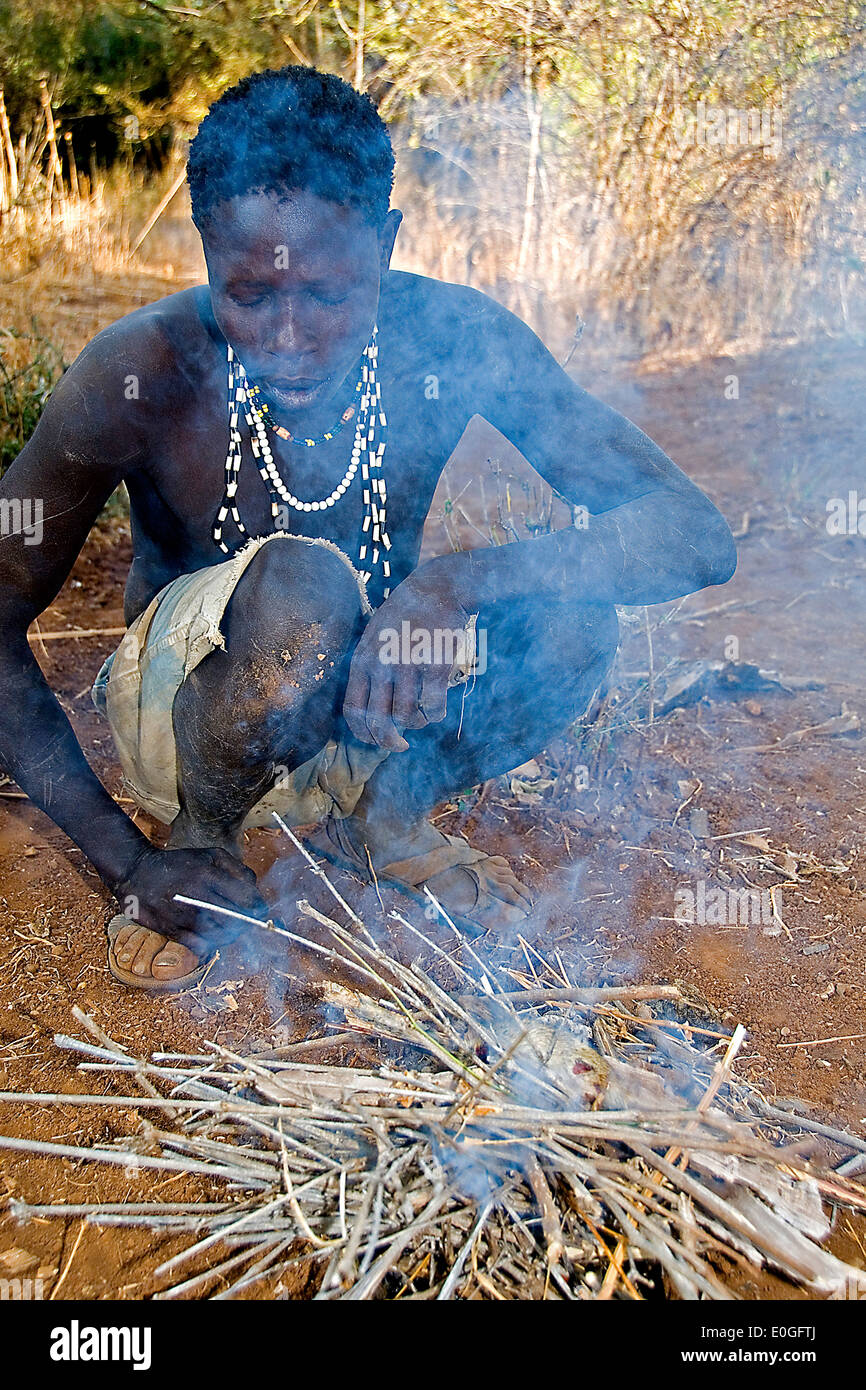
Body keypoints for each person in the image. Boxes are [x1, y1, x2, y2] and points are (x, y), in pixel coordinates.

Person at [0, 66, 736, 989]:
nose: (290, 335)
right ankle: (203, 842)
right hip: (186, 735)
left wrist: (451, 585)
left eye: (329, 293)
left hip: (378, 712)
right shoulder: (138, 369)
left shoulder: (454, 337)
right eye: (250, 296)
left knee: (573, 608)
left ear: (385, 245)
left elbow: (694, 532)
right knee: (305, 588)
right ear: (204, 247)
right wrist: (129, 860)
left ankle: (388, 814)